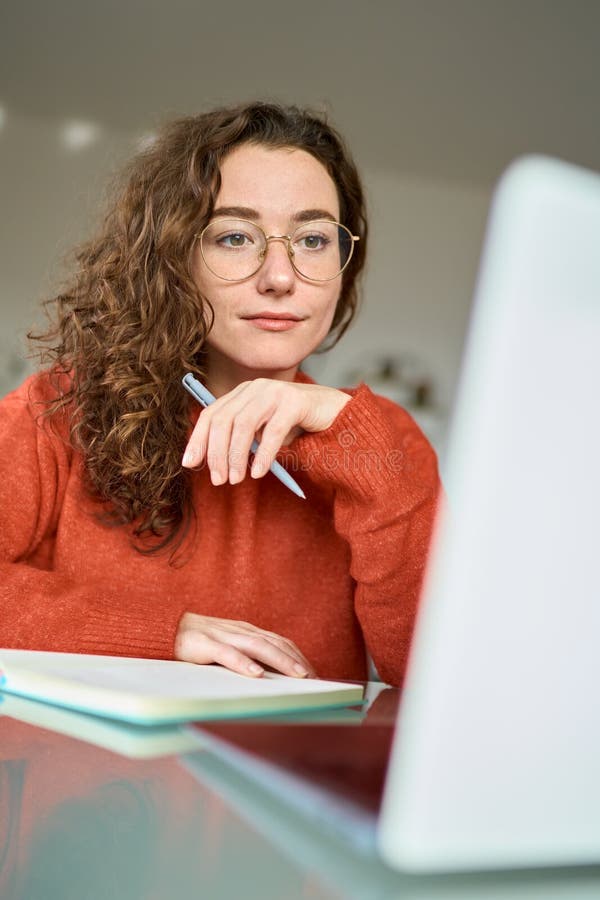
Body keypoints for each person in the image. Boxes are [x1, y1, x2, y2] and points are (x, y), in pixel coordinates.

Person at [0, 101, 440, 686]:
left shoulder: (386, 442)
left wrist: (352, 440)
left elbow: (442, 681)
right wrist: (168, 634)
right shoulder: (58, 409)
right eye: (235, 236)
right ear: (174, 258)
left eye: (313, 239)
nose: (280, 277)